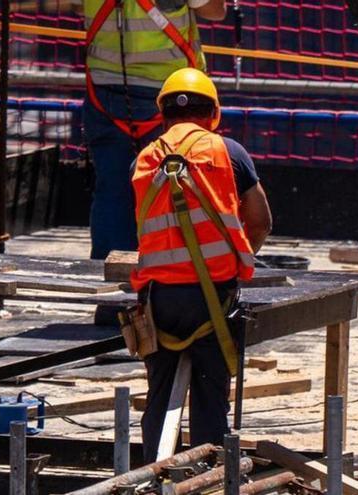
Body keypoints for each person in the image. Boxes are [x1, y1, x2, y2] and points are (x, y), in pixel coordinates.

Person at [129, 68, 272, 462]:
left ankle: (153, 476)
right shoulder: (229, 153)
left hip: (159, 300)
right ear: (213, 113)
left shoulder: (144, 158)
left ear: (163, 114)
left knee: (160, 397)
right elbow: (260, 220)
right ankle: (209, 477)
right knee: (210, 398)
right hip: (215, 298)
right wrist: (239, 259)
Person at [82, 0, 227, 259]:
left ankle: (111, 276)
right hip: (169, 92)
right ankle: (168, 274)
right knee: (172, 188)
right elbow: (215, 11)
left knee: (112, 190)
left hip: (104, 89)